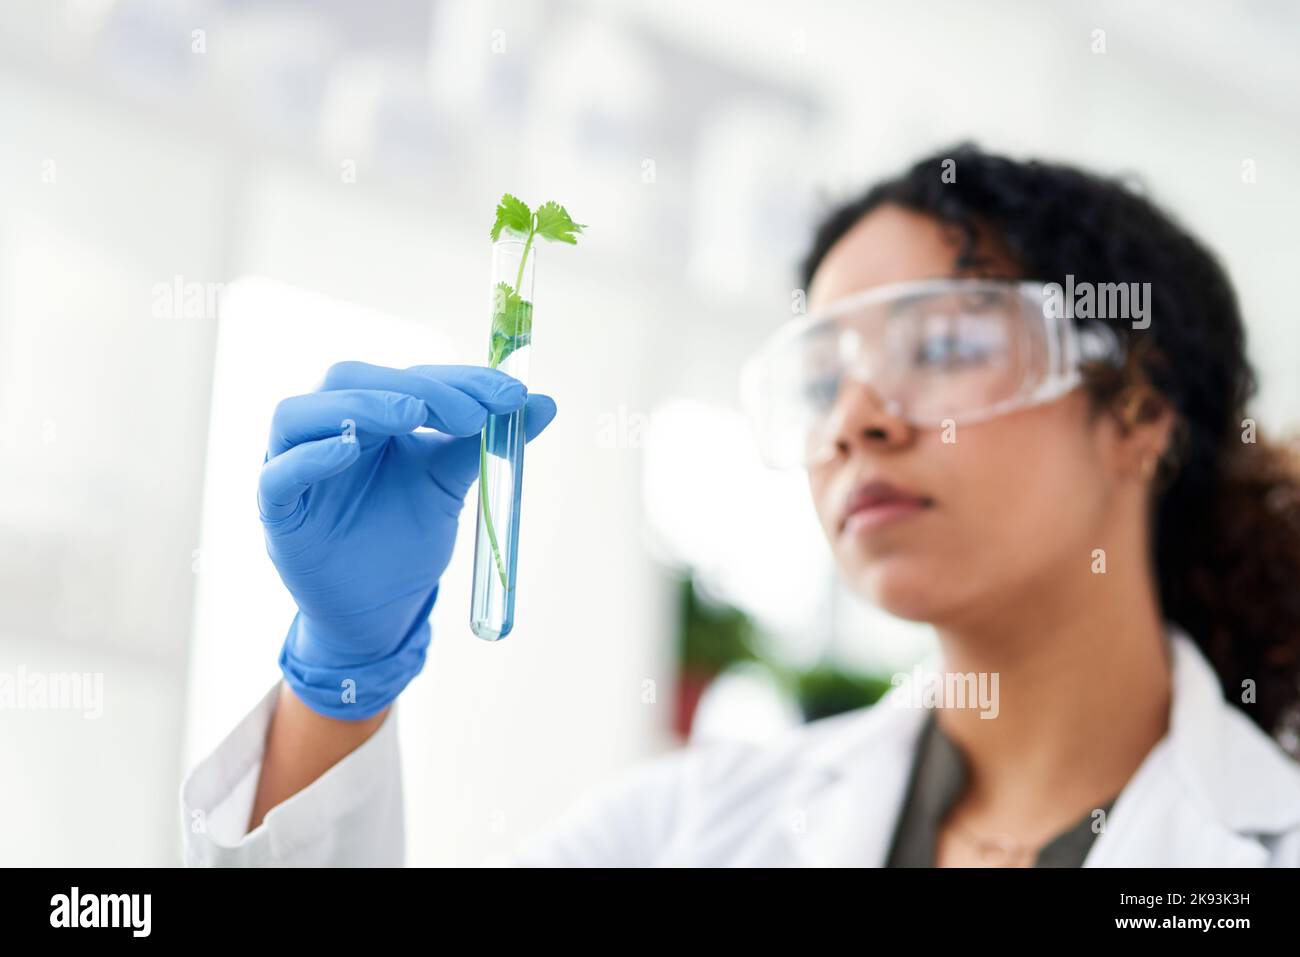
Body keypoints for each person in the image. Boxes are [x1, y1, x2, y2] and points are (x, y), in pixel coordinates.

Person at [180, 145, 1300, 866]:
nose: (856, 418)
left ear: (1140, 410)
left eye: (944, 345)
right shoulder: (688, 831)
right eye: (821, 377)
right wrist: (338, 679)